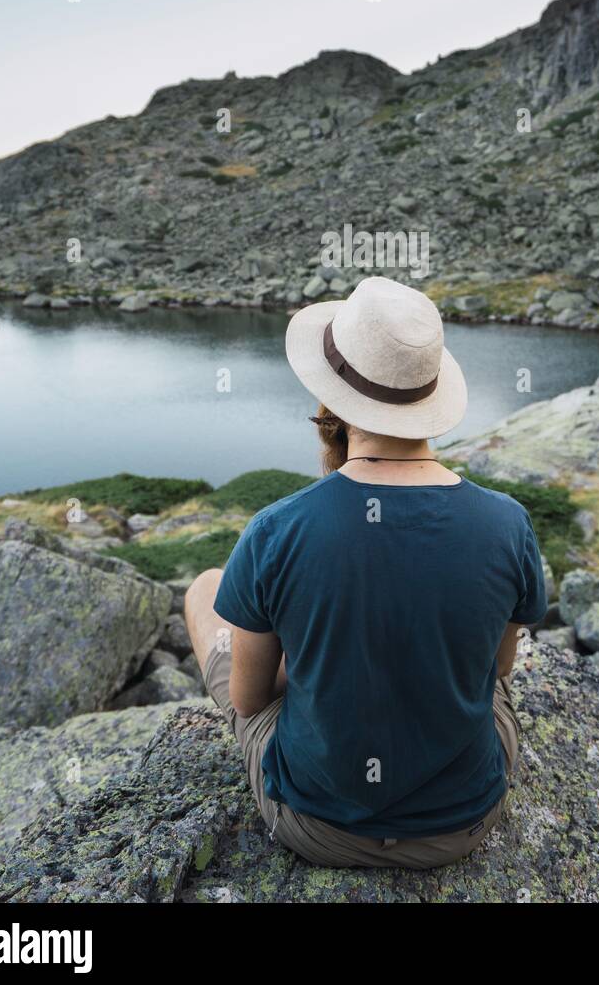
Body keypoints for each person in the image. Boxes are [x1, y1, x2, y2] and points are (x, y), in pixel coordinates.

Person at [185, 275, 548, 868]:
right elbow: (499, 668)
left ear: (331, 403)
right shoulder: (508, 523)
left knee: (204, 589)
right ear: (429, 400)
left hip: (316, 825)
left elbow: (250, 702)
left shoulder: (277, 528)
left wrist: (316, 668)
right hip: (463, 824)